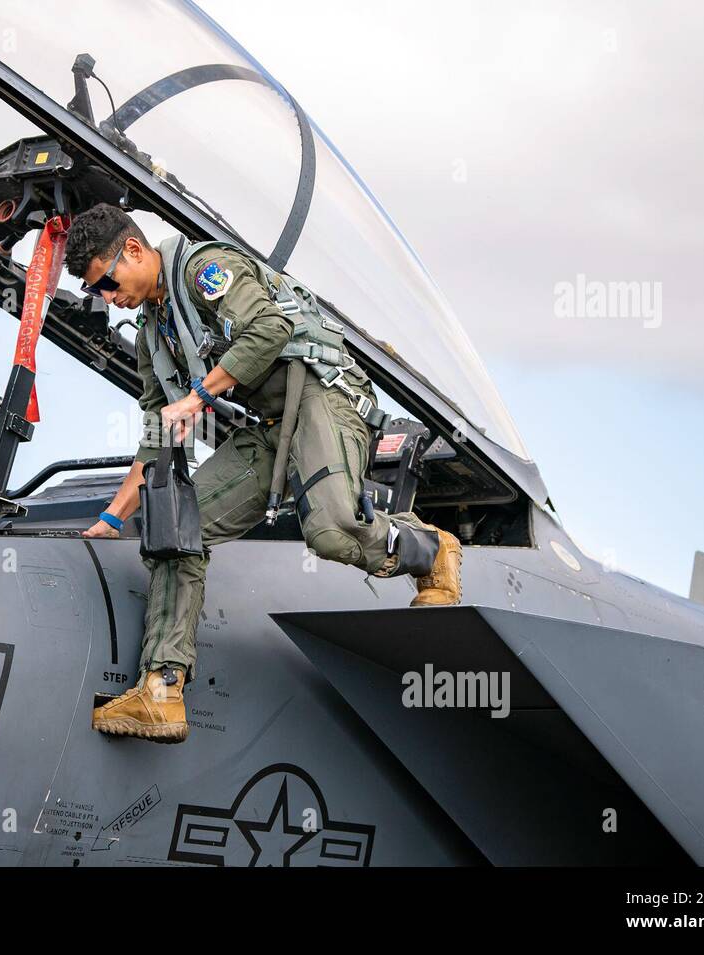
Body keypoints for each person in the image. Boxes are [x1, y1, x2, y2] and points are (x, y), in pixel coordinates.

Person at [67, 203, 461, 743]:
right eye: (98, 294)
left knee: (328, 530)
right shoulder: (153, 336)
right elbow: (157, 432)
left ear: (133, 250)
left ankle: (430, 551)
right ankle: (161, 690)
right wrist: (112, 520)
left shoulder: (202, 270)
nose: (108, 299)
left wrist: (201, 395)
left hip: (327, 393)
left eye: (107, 283)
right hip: (275, 424)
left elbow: (270, 329)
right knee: (180, 526)